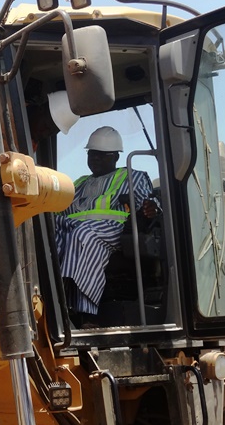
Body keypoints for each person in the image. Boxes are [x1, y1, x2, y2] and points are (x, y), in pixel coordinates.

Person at [55, 126, 157, 321]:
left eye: (101, 155)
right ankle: (54, 298)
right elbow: (62, 209)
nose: (95, 159)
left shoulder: (132, 176)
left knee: (84, 235)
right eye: (92, 154)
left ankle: (86, 314)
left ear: (116, 157)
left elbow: (150, 203)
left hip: (114, 229)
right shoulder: (79, 183)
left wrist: (151, 207)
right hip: (75, 228)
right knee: (48, 230)